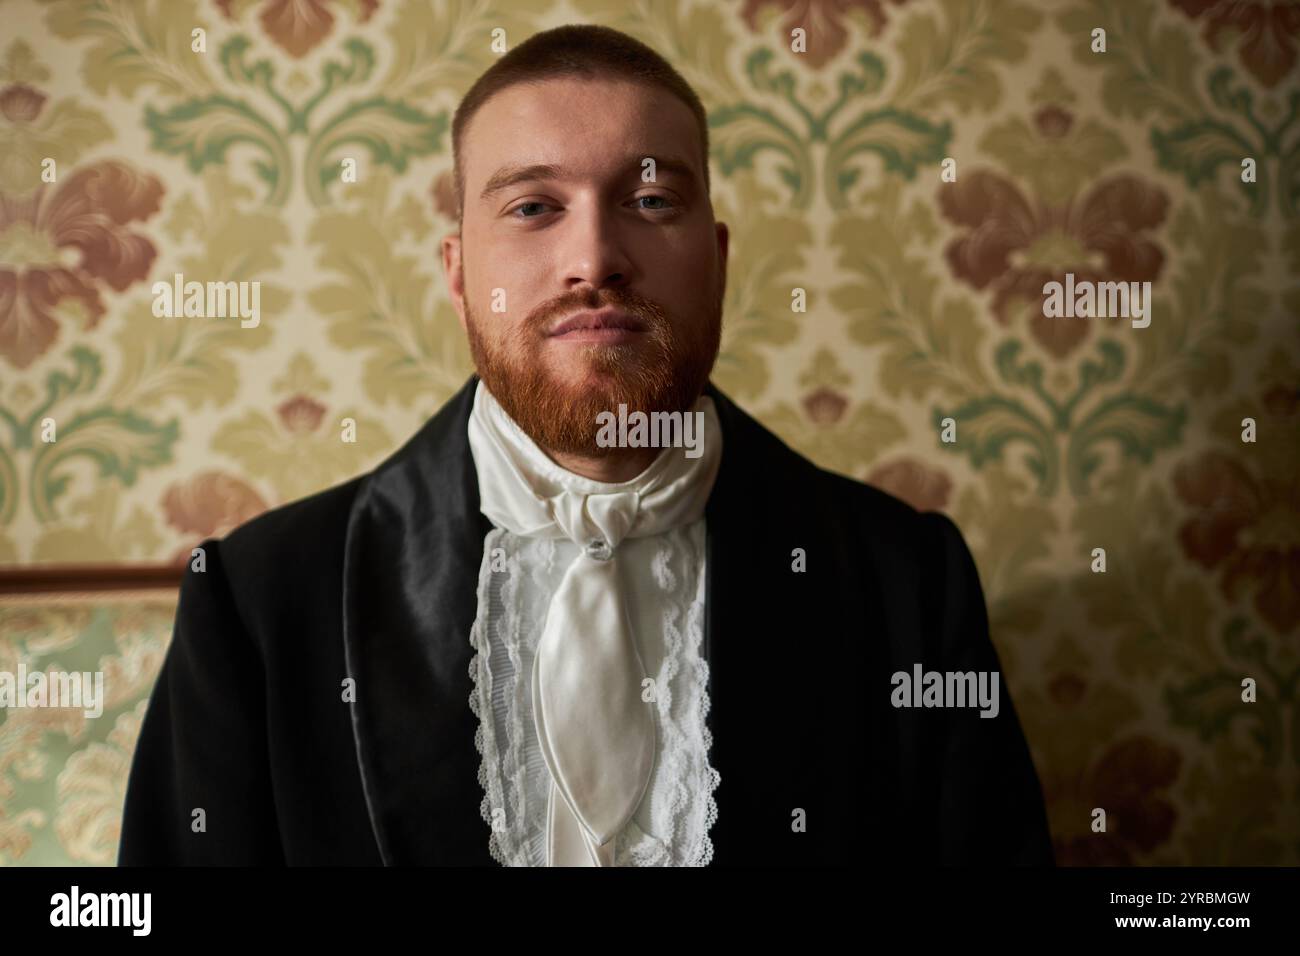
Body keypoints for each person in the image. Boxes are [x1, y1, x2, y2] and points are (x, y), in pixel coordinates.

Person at [118, 24, 1052, 867]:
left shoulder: (910, 588)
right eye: (532, 207)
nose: (595, 257)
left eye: (650, 199)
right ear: (458, 273)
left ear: (719, 263)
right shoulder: (254, 606)